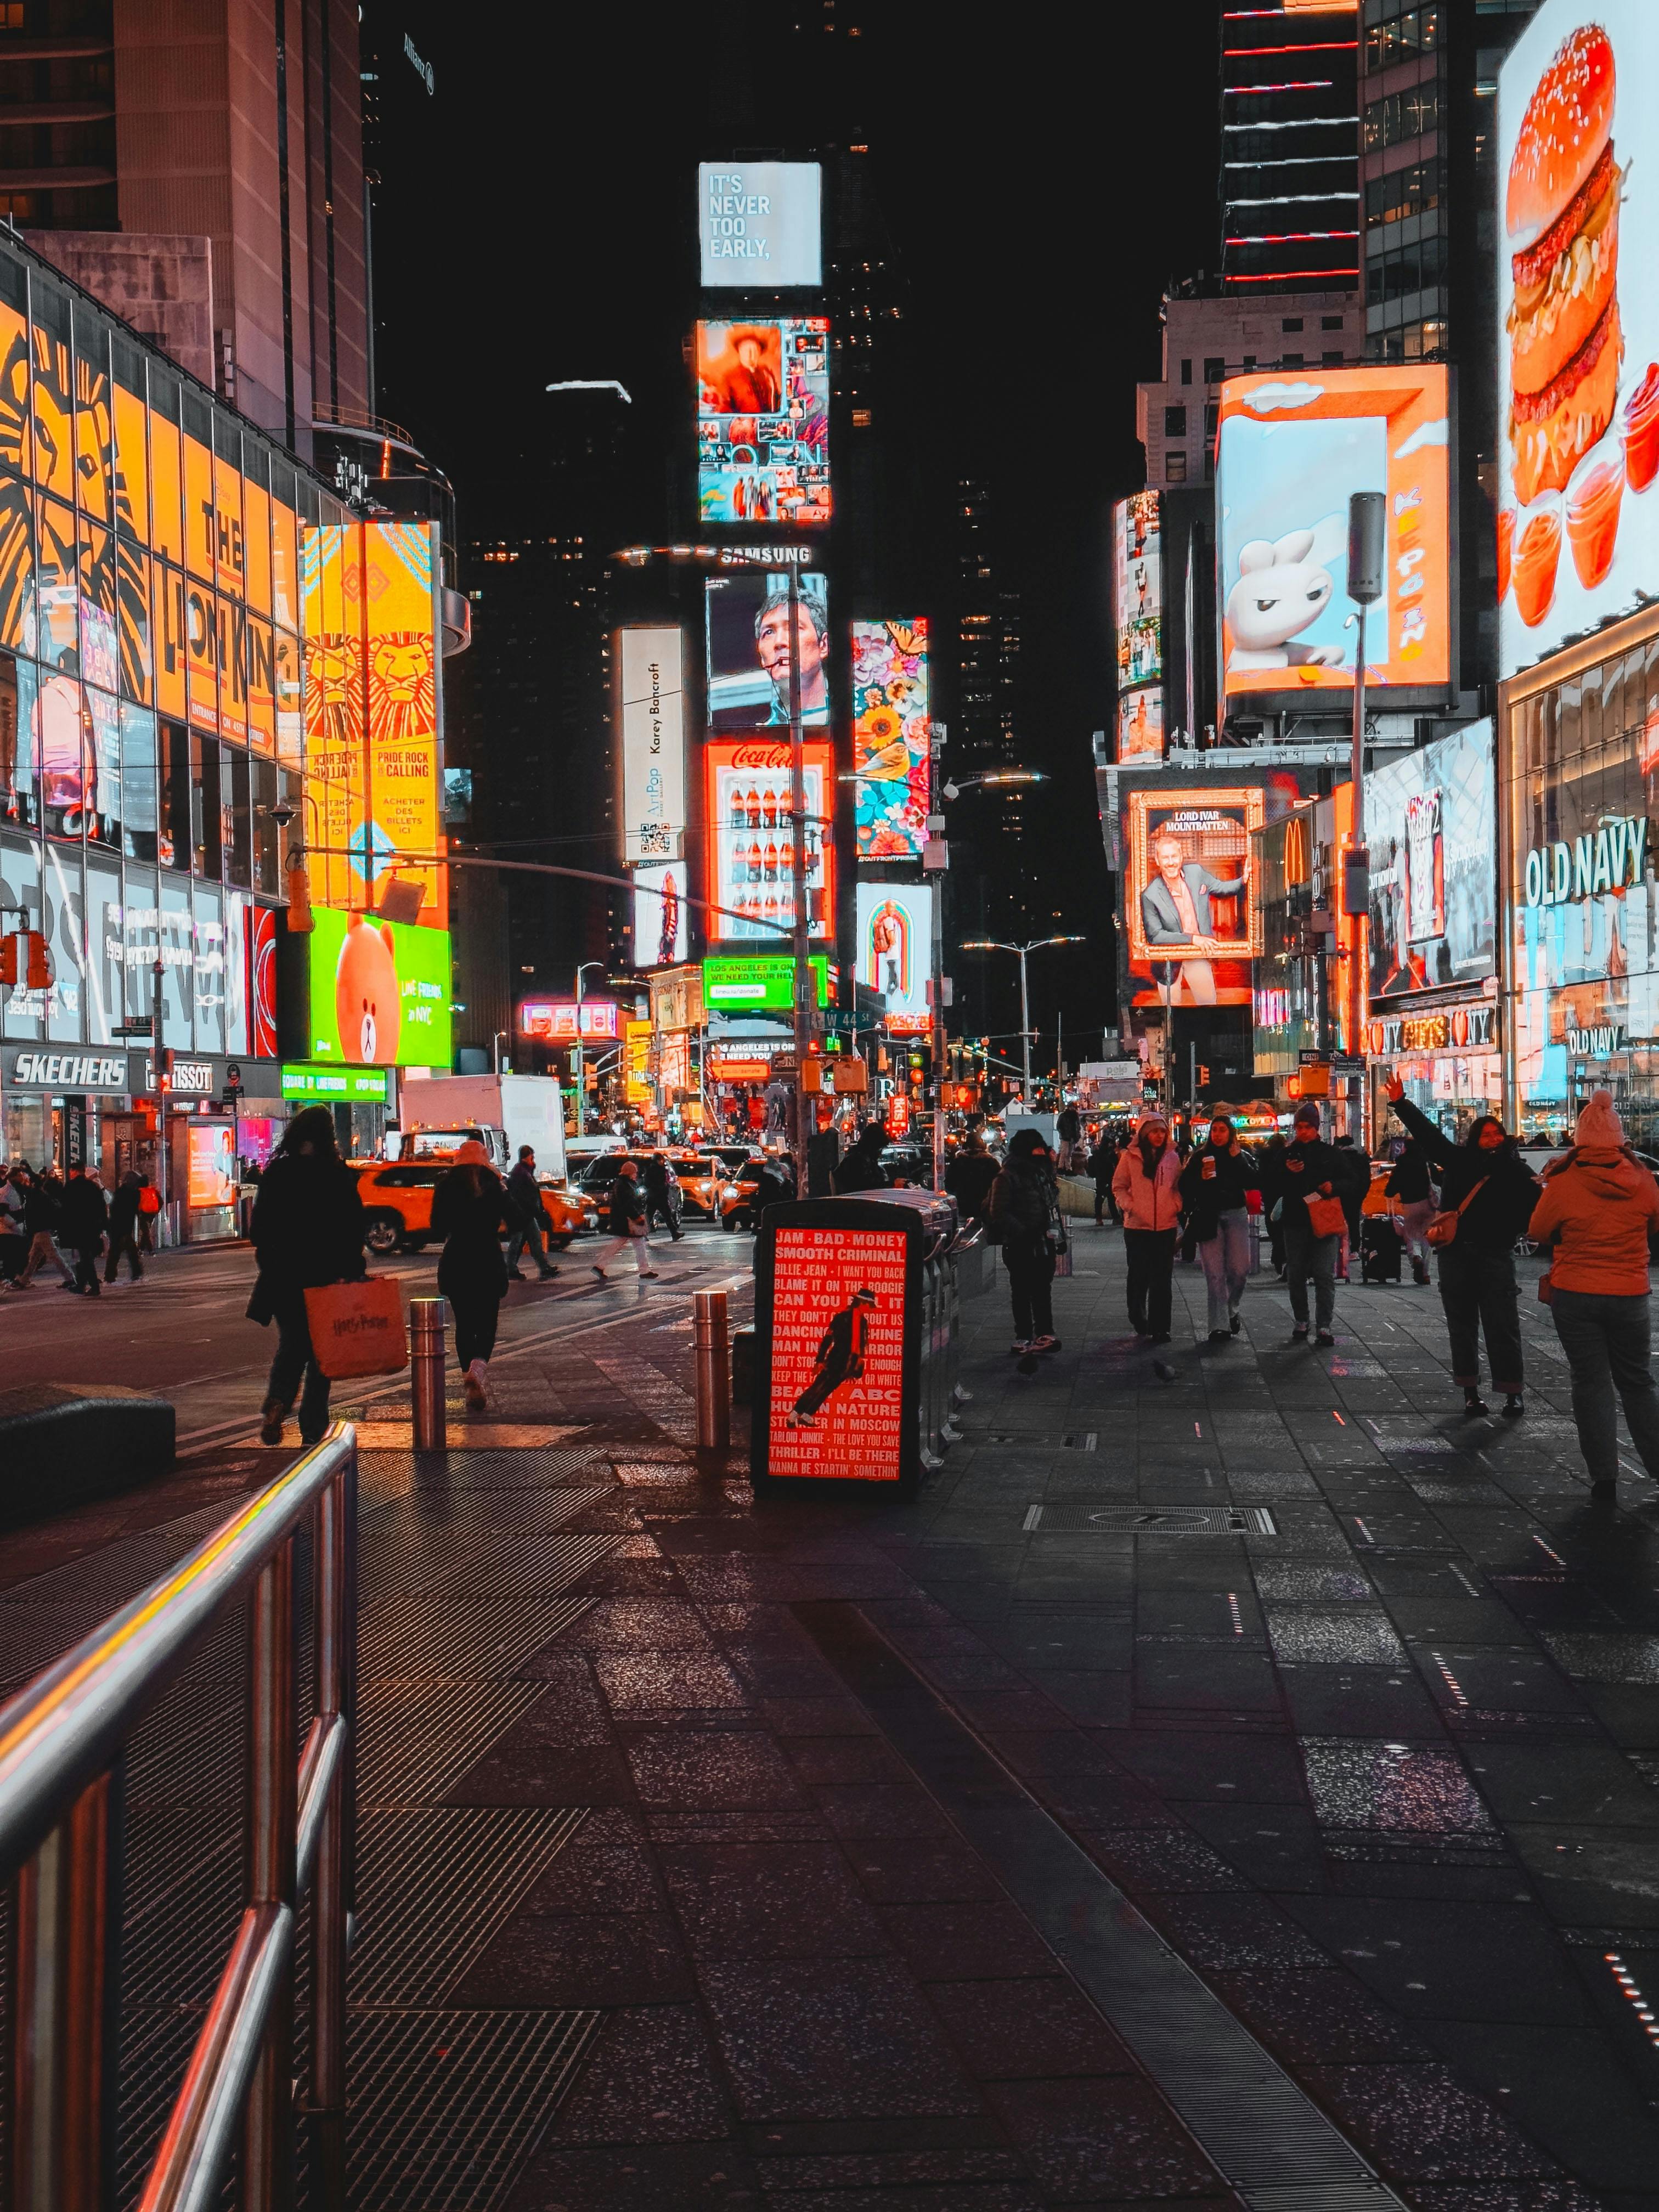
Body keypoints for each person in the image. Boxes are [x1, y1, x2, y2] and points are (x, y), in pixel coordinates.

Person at [1527, 1088, 1659, 1499]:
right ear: (1619, 1138)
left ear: (1580, 1139)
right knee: (1637, 1381)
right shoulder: (1642, 1180)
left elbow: (1538, 1231)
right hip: (1630, 1293)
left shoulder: (1564, 1182)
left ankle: (1605, 1477)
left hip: (1576, 1292)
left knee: (1591, 1381)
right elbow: (1654, 1224)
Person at [1386, 1079, 1540, 1417]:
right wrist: (1402, 1103)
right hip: (1456, 1255)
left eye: (1497, 1134)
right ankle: (1470, 1392)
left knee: (1503, 1326)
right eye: (1486, 1135)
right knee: (1462, 1326)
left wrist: (1513, 1229)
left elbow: (1537, 1204)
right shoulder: (1458, 1160)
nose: (1493, 1140)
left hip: (1496, 1255)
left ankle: (1512, 1392)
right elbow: (1428, 1136)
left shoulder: (1515, 1169)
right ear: (1475, 1139)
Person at [247, 1105, 366, 1448]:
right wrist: (351, 1271)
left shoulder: (278, 1173)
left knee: (292, 1344)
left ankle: (278, 1401)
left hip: (284, 1277)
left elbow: (259, 1231)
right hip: (326, 1278)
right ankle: (313, 1428)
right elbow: (353, 1230)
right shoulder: (336, 1175)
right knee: (320, 1356)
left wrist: (273, 1259)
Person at [433, 1139, 514, 1409]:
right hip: (487, 1258)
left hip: (458, 1258)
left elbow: (436, 1225)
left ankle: (469, 1377)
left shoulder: (446, 1184)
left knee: (465, 1323)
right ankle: (477, 1370)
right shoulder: (493, 1182)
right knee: (487, 1322)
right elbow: (516, 1217)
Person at [1140, 827, 1249, 1008]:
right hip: (1168, 961)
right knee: (1170, 1012)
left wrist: (1243, 880)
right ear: (1158, 861)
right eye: (1165, 858)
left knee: (1209, 1005)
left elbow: (1222, 888)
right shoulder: (1150, 895)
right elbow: (1156, 936)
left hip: (1198, 955)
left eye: (1174, 856)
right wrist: (1193, 939)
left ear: (1181, 856)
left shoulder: (1196, 873)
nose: (1171, 862)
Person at [1178, 1115, 1258, 1342]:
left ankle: (1232, 1308)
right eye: (1214, 1130)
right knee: (1214, 1273)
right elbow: (1184, 1186)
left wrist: (1238, 1159)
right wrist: (1201, 1180)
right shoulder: (1200, 1157)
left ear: (1231, 1133)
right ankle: (1218, 1326)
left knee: (1240, 1270)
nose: (1218, 1134)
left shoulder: (1241, 1156)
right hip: (1209, 1215)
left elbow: (1254, 1181)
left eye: (1223, 1130)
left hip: (1235, 1214)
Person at [989, 1127, 1065, 1359]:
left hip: (1044, 1241)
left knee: (1042, 1289)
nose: (1041, 1151)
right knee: (1022, 1290)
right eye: (1036, 1147)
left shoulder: (1043, 1173)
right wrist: (1022, 1232)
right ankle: (1023, 1336)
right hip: (1020, 1243)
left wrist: (1059, 1236)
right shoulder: (1007, 1176)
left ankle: (1044, 1334)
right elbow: (998, 1211)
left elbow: (1052, 1208)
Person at [1112, 1113, 1182, 1342]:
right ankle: (1137, 1314)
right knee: (1139, 1274)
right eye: (1154, 1132)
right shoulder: (1130, 1157)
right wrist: (1130, 1206)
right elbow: (1119, 1186)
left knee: (1162, 1278)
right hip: (1137, 1226)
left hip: (1166, 1225)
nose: (1159, 1136)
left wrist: (1176, 1205)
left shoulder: (1172, 1157)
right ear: (1144, 1134)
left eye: (1162, 1131)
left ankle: (1161, 1327)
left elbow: (1178, 1186)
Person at [1279, 1104, 1341, 1346]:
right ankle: (1302, 1320)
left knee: (1324, 1274)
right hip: (1296, 1221)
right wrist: (1286, 1171)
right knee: (1296, 1274)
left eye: (1307, 1127)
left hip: (1324, 1220)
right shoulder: (1286, 1154)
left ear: (1316, 1128)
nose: (1303, 1132)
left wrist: (1334, 1187)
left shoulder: (1330, 1154)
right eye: (1299, 1127)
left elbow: (1352, 1180)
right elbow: (1270, 1182)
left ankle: (1324, 1325)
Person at [786, 1286, 877, 1429]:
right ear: (862, 1303)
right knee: (818, 1387)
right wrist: (820, 1360)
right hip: (835, 1360)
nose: (870, 1309)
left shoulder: (863, 1322)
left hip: (848, 1364)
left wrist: (855, 1365)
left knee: (828, 1389)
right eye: (869, 1305)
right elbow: (828, 1339)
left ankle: (807, 1414)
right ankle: (794, 1414)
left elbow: (861, 1344)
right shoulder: (841, 1318)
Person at [1384, 1116, 1438, 1285]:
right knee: (1427, 1238)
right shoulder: (1428, 1165)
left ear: (1406, 1149)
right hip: (1429, 1205)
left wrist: (1391, 1192)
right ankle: (1426, 1274)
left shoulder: (1402, 1166)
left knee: (1412, 1236)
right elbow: (1440, 1182)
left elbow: (1391, 1189)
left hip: (1410, 1204)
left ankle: (1416, 1256)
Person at [591, 1158, 658, 1281]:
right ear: (629, 1173)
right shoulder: (623, 1185)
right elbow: (627, 1204)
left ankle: (600, 1266)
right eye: (634, 1172)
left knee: (621, 1244)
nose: (636, 1175)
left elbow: (634, 1199)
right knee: (636, 1245)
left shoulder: (627, 1184)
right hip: (627, 1221)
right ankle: (644, 1271)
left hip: (624, 1221)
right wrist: (636, 1217)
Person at [505, 1145, 560, 1280]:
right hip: (523, 1214)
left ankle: (541, 1268)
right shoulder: (521, 1173)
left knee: (526, 1242)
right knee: (522, 1242)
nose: (533, 1159)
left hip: (525, 1213)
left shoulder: (523, 1171)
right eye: (532, 1157)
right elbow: (524, 1195)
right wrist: (534, 1210)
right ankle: (515, 1269)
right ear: (527, 1157)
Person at [15, 1167, 75, 1289]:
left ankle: (70, 1278)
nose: (26, 1182)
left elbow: (34, 1212)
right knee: (34, 1256)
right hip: (41, 1228)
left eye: (28, 1181)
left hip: (41, 1229)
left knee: (53, 1255)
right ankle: (24, 1280)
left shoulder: (35, 1195)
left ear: (32, 1184)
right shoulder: (40, 1194)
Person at [60, 1164, 108, 1296]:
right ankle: (81, 1285)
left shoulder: (71, 1186)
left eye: (71, 1171)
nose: (70, 1174)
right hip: (93, 1226)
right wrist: (103, 1224)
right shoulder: (93, 1186)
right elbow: (101, 1206)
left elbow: (66, 1207)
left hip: (79, 1226)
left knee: (86, 1257)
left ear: (75, 1171)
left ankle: (93, 1286)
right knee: (86, 1256)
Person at [1330, 1134, 1370, 1283]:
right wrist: (1362, 1194)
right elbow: (1366, 1179)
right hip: (1356, 1196)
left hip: (1341, 1195)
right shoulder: (1361, 1158)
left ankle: (1339, 1249)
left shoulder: (1339, 1159)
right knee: (1354, 1222)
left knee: (1339, 1222)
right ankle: (1354, 1249)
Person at [945, 1131, 1000, 1227]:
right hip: (985, 1206)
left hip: (964, 1205)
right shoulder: (991, 1162)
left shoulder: (959, 1161)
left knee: (964, 1230)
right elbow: (998, 1184)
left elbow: (949, 1184)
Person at [103, 1167, 145, 1284]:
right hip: (123, 1227)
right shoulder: (133, 1194)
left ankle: (111, 1277)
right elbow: (134, 1210)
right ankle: (113, 1277)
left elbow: (114, 1209)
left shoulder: (120, 1192)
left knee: (118, 1252)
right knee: (125, 1252)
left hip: (116, 1226)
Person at [832, 1123, 889, 1195]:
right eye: (880, 1149)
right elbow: (868, 1188)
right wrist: (891, 1184)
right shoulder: (857, 1163)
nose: (880, 1154)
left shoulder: (864, 1161)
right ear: (873, 1147)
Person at [641, 1153, 685, 1242]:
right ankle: (642, 1234)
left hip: (655, 1196)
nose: (663, 1162)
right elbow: (650, 1183)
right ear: (658, 1160)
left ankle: (674, 1233)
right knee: (661, 1216)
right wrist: (663, 1188)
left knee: (653, 1216)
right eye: (662, 1160)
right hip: (658, 1196)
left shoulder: (653, 1169)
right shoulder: (655, 1170)